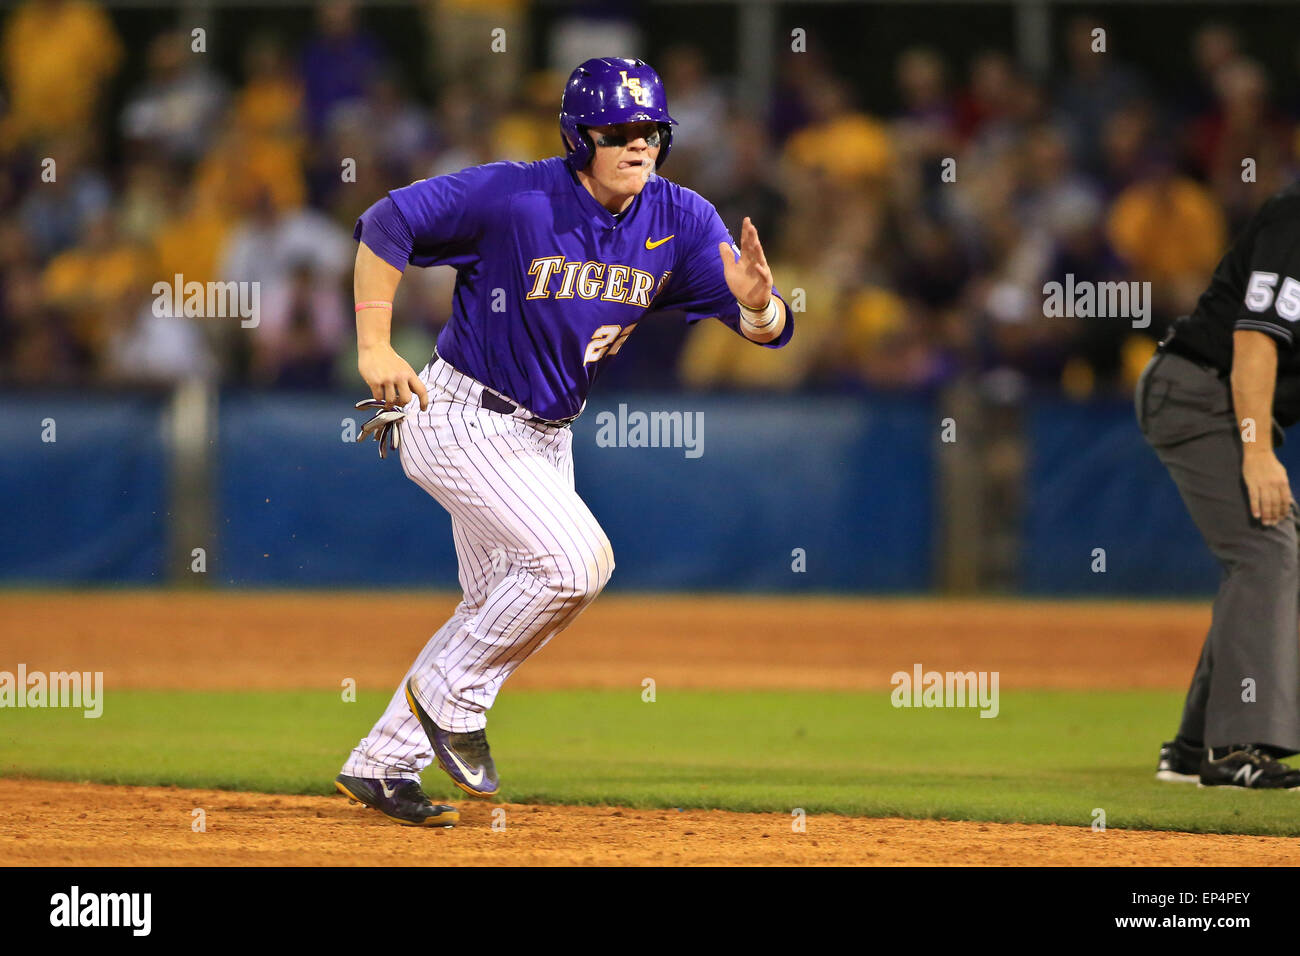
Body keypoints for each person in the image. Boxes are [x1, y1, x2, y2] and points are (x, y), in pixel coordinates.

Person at [334, 57, 793, 827]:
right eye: (619, 131)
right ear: (579, 137)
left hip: (546, 437)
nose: (638, 144)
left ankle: (382, 763)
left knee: (497, 604)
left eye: (651, 130)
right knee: (576, 562)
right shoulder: (516, 196)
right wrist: (375, 346)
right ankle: (449, 696)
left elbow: (772, 331)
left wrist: (758, 308)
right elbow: (387, 224)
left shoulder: (680, 220)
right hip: (459, 413)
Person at [1138, 181, 1300, 789]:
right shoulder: (1297, 217)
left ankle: (1189, 749)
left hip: (1223, 401)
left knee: (1279, 558)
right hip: (1198, 390)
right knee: (1266, 551)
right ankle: (1234, 748)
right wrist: (1256, 451)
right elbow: (1255, 338)